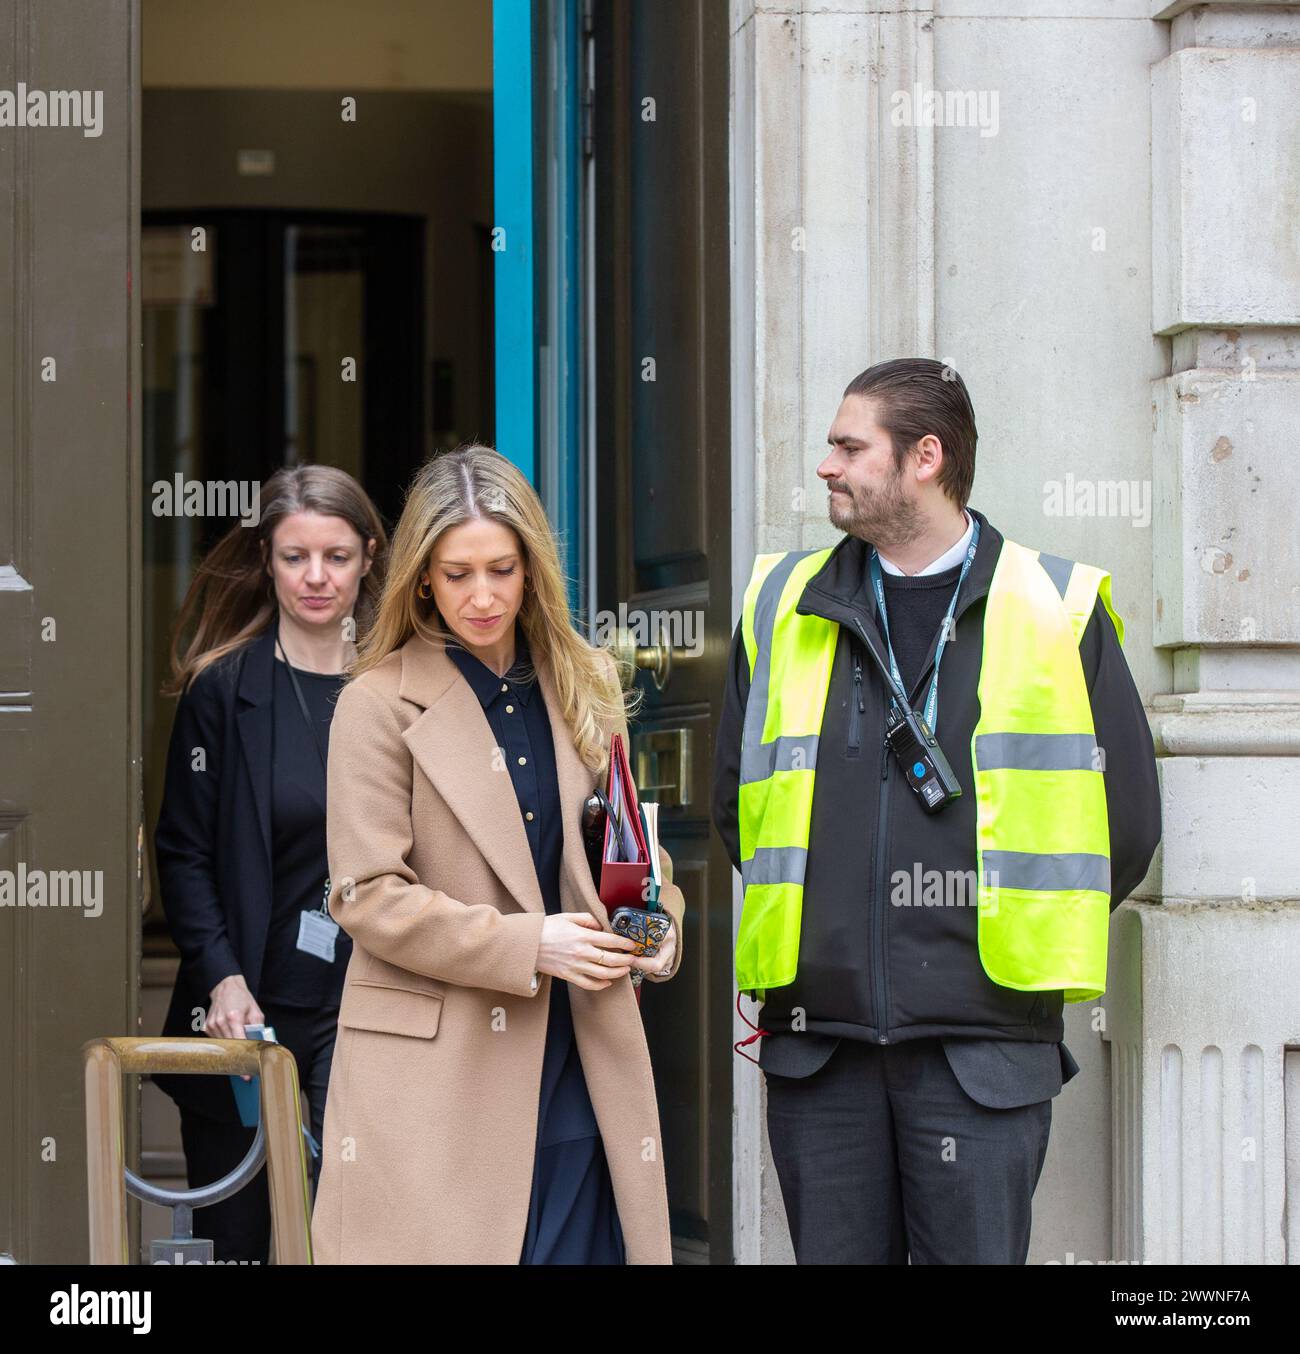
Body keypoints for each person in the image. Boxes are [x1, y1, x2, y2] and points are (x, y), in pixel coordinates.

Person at [712, 358, 1161, 1264]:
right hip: (820, 1050)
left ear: (926, 456)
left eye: (848, 446)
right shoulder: (780, 604)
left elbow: (1126, 827)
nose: (826, 466)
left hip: (983, 1052)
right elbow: (737, 805)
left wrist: (987, 946)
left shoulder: (1056, 609)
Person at [311, 443, 684, 1265]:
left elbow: (630, 853)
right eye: (456, 574)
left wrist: (650, 930)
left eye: (503, 570)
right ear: (420, 580)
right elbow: (366, 894)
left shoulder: (583, 680)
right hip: (439, 1071)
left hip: (579, 1052)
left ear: (533, 570)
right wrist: (531, 942)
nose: (483, 596)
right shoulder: (373, 704)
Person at [152, 465, 386, 1262]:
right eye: (294, 557)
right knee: (244, 1241)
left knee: (352, 1237)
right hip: (245, 1008)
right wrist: (220, 976)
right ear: (266, 562)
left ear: (369, 557)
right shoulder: (223, 691)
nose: (316, 577)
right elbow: (182, 852)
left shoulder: (403, 686)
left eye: (337, 556)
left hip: (368, 1003)